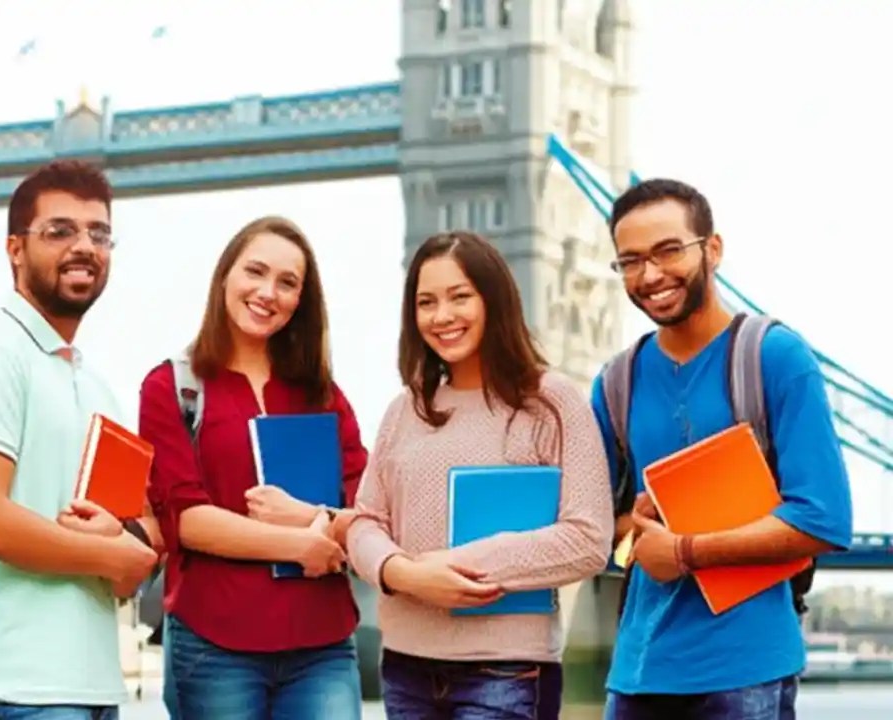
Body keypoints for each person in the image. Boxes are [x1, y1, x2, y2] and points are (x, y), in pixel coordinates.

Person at [594, 178, 853, 718]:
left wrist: (684, 550)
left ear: (712, 249)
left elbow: (822, 519)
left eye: (669, 251)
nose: (651, 275)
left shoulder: (776, 357)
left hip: (746, 672)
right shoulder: (616, 382)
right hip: (637, 674)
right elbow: (594, 524)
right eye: (631, 261)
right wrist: (637, 529)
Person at [346, 232, 613, 719]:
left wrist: (456, 567)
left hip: (509, 671)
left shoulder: (553, 403)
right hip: (406, 669)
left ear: (494, 299)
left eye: (459, 296)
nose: (442, 316)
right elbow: (365, 521)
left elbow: (589, 538)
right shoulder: (404, 409)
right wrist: (404, 573)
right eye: (426, 302)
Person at [0, 159, 161, 720]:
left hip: (96, 685)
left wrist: (131, 542)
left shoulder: (98, 386)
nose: (84, 245)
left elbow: (143, 528)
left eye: (99, 233)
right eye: (60, 231)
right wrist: (118, 554)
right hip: (17, 687)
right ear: (15, 249)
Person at [138, 215, 367, 719]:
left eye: (288, 283)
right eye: (255, 272)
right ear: (226, 276)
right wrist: (303, 543)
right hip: (214, 646)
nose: (268, 292)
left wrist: (311, 517)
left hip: (323, 647)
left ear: (302, 301)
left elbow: (368, 512)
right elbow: (187, 519)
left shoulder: (323, 396)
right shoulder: (172, 388)